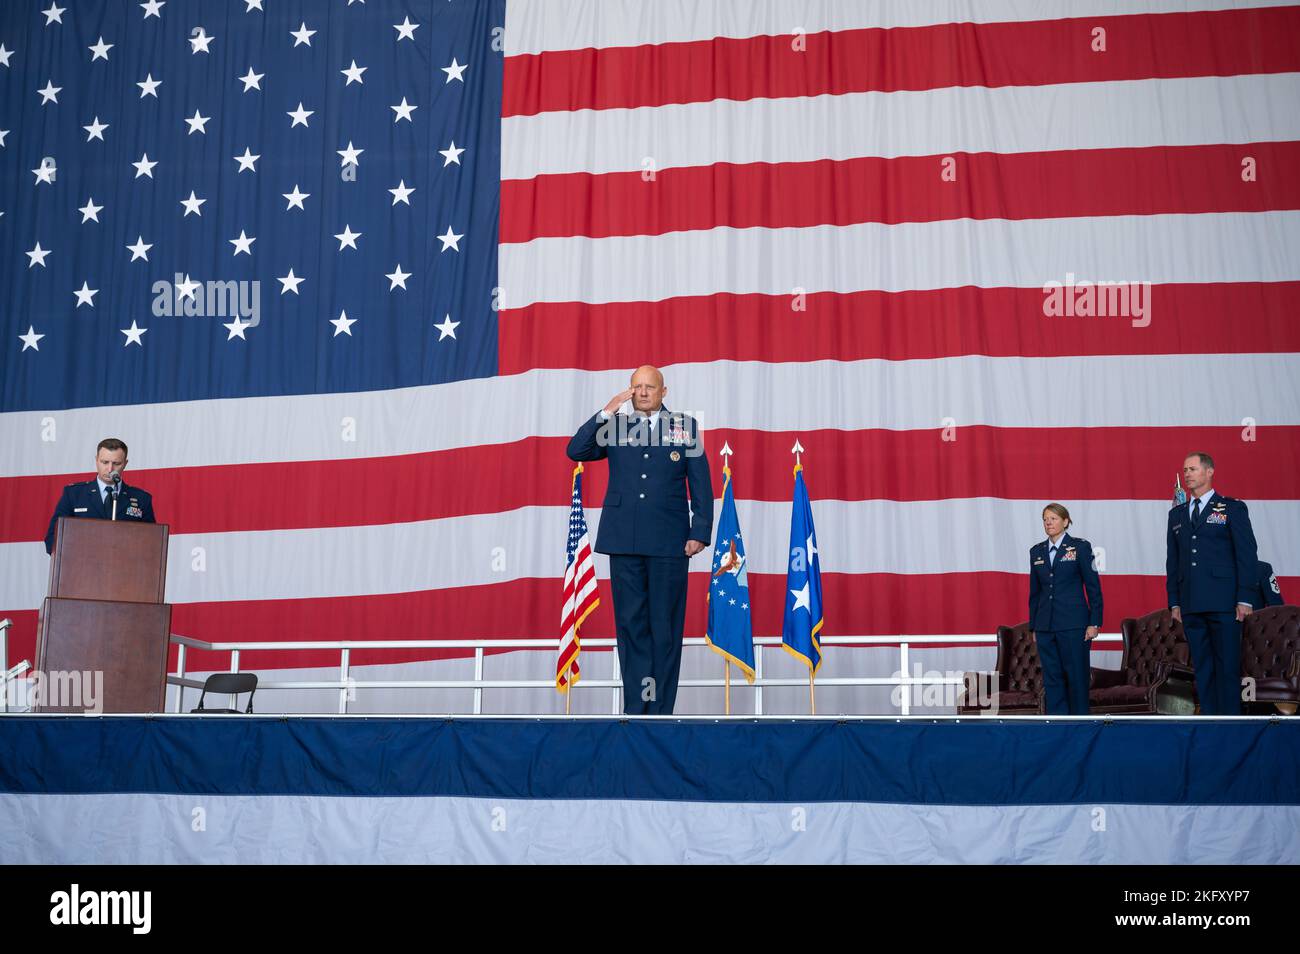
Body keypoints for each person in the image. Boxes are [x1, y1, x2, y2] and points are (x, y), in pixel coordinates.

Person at [567, 366, 713, 714]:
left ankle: (660, 711)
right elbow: (576, 450)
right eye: (636, 387)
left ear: (664, 391)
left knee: (664, 628)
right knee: (631, 627)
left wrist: (700, 532)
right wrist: (605, 411)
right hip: (624, 541)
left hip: (669, 542)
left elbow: (702, 486)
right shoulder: (615, 427)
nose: (642, 392)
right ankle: (637, 708)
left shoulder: (684, 428)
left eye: (650, 387)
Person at [1166, 452, 1258, 716]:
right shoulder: (1178, 514)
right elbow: (1174, 561)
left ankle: (1229, 724)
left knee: (1227, 666)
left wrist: (1245, 597)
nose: (1187, 474)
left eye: (1193, 469)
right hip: (1191, 602)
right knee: (1203, 668)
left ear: (1209, 472)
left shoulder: (1231, 508)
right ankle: (1209, 721)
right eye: (1185, 470)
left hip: (1224, 601)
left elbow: (1246, 554)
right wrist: (1174, 600)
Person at [1028, 503, 1103, 714]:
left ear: (1066, 521)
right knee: (1052, 678)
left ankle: (1079, 723)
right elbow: (1035, 593)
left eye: (1053, 518)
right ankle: (1058, 724)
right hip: (1045, 625)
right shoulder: (1036, 551)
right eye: (1045, 519)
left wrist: (1094, 621)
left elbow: (1093, 586)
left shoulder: (1080, 547)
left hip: (1074, 624)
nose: (1048, 522)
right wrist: (1034, 626)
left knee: (1077, 676)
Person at [44, 438, 156, 554]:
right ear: (96, 460)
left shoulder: (141, 499)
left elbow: (152, 543)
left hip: (125, 568)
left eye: (116, 463)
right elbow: (53, 538)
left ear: (125, 464)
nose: (110, 469)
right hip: (81, 567)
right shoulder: (74, 494)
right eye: (105, 462)